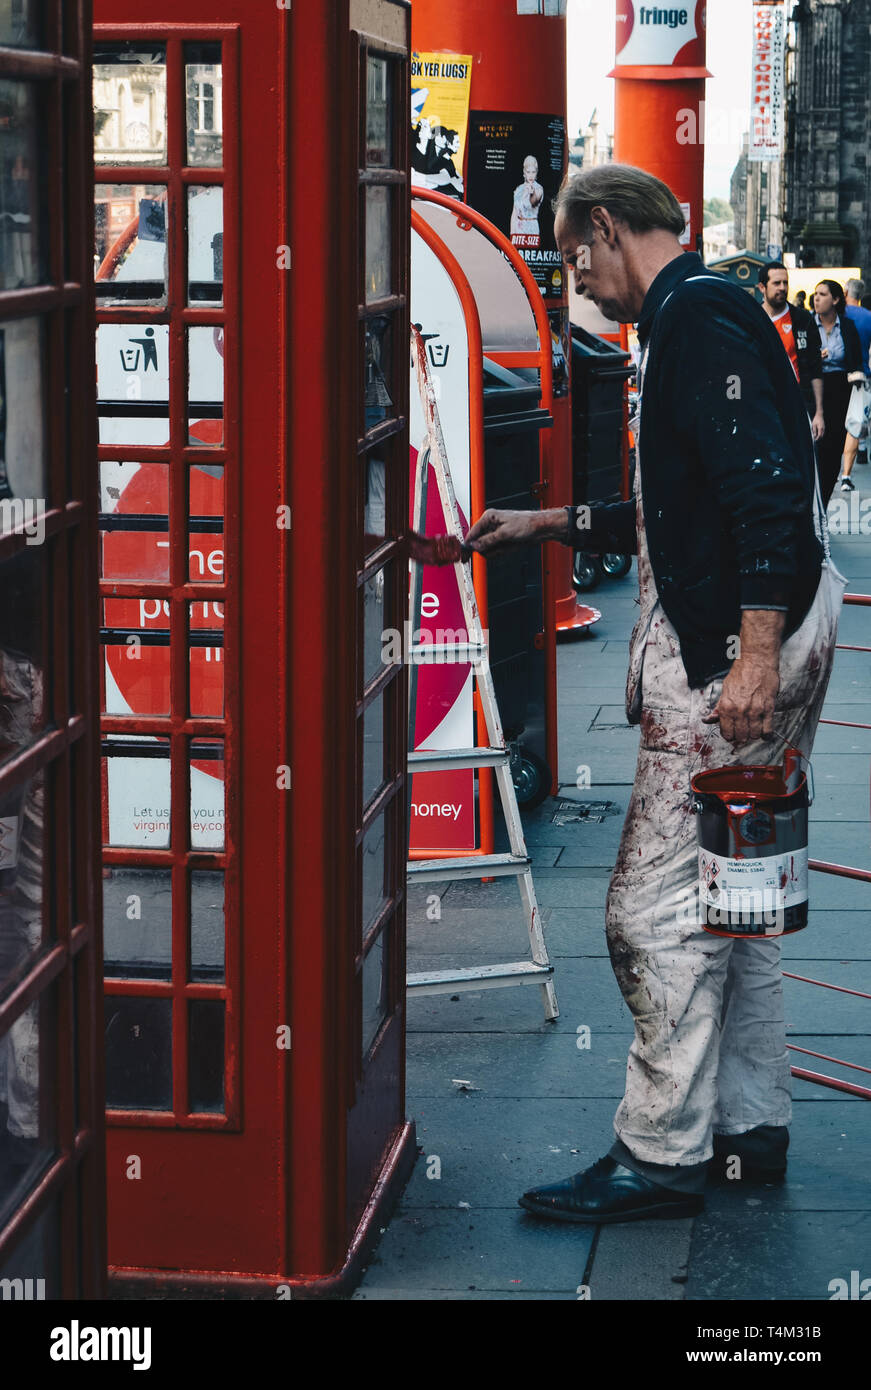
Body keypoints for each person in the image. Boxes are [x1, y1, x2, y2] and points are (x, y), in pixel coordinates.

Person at [464, 163, 846, 1225]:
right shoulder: (701, 313)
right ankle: (746, 1128)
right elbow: (678, 505)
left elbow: (765, 493)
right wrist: (541, 526)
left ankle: (660, 1151)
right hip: (757, 635)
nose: (577, 281)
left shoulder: (694, 321)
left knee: (648, 912)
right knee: (733, 903)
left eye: (573, 256)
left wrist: (754, 661)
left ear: (600, 228)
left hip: (732, 654)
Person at [757, 261, 824, 439]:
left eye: (785, 283)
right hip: (763, 404)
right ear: (762, 287)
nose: (782, 288)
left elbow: (815, 367)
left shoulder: (802, 319)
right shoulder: (752, 318)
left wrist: (818, 412)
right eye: (776, 283)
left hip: (798, 404)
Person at [813, 279, 864, 503]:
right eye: (815, 294)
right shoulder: (807, 325)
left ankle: (823, 499)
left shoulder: (848, 326)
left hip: (840, 389)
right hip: (814, 387)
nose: (816, 299)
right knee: (816, 445)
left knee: (833, 447)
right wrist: (815, 357)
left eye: (822, 295)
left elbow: (855, 360)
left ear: (835, 300)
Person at [841, 277, 871, 483]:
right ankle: (859, 451)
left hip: (836, 371)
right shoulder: (868, 316)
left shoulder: (838, 313)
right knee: (857, 418)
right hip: (861, 374)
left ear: (845, 292)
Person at [510, 156, 544, 243]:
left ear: (536, 173)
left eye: (533, 172)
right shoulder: (519, 189)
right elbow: (514, 213)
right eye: (528, 172)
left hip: (531, 228)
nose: (531, 175)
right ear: (524, 172)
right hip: (518, 228)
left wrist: (531, 193)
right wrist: (512, 233)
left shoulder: (539, 188)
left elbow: (533, 202)